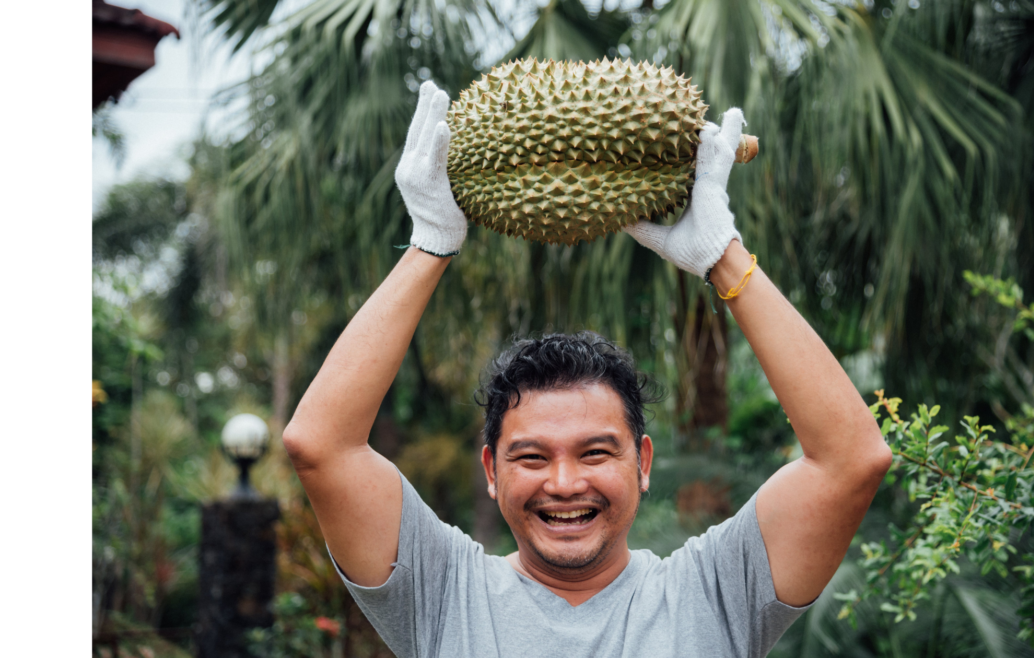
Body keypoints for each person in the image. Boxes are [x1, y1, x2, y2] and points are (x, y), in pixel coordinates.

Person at [281, 81, 893, 657]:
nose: (565, 483)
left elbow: (849, 461)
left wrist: (724, 259)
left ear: (643, 463)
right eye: (531, 457)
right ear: (491, 470)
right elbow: (321, 446)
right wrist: (430, 244)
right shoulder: (441, 591)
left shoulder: (715, 592)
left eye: (597, 453)